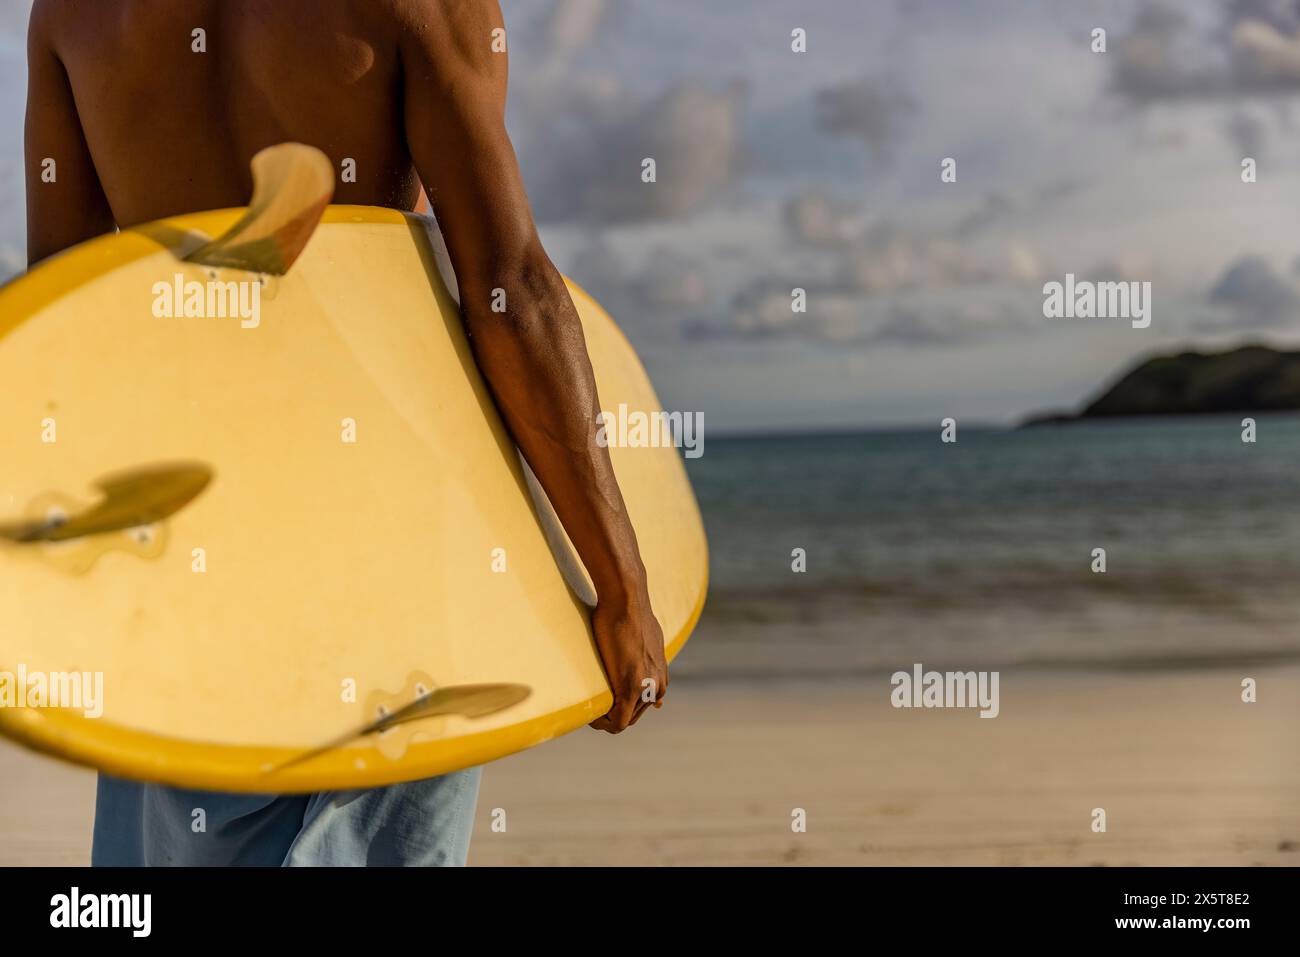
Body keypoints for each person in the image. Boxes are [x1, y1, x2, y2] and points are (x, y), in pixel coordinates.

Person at [24, 0, 667, 866]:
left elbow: (61, 321)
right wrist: (621, 583)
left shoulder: (73, 14)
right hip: (386, 524)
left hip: (181, 534)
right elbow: (509, 288)